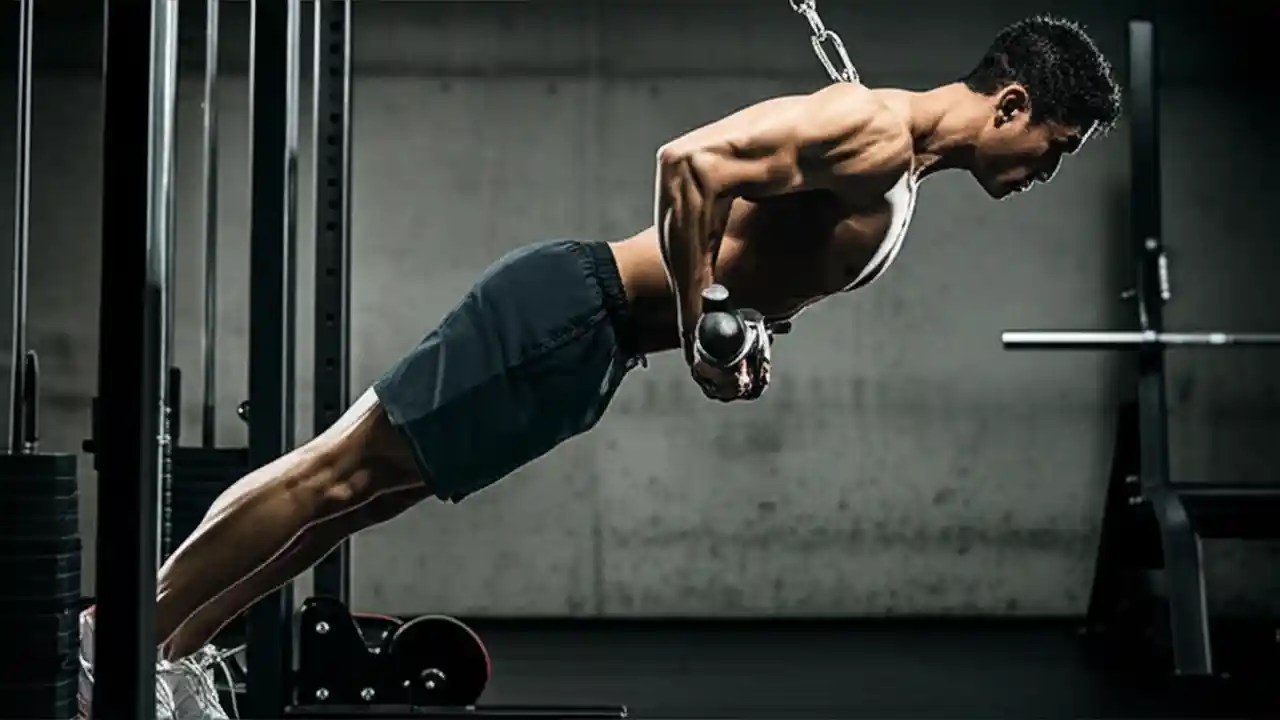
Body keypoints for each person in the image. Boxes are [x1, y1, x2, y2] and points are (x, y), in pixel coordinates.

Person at [77, 14, 1121, 719]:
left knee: (355, 505)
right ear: (1013, 105)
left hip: (597, 349)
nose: (1043, 172)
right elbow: (688, 165)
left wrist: (739, 336)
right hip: (569, 310)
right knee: (331, 474)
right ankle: (112, 642)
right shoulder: (871, 133)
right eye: (1057, 147)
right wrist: (709, 302)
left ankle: (168, 657)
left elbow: (753, 259)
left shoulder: (896, 172)